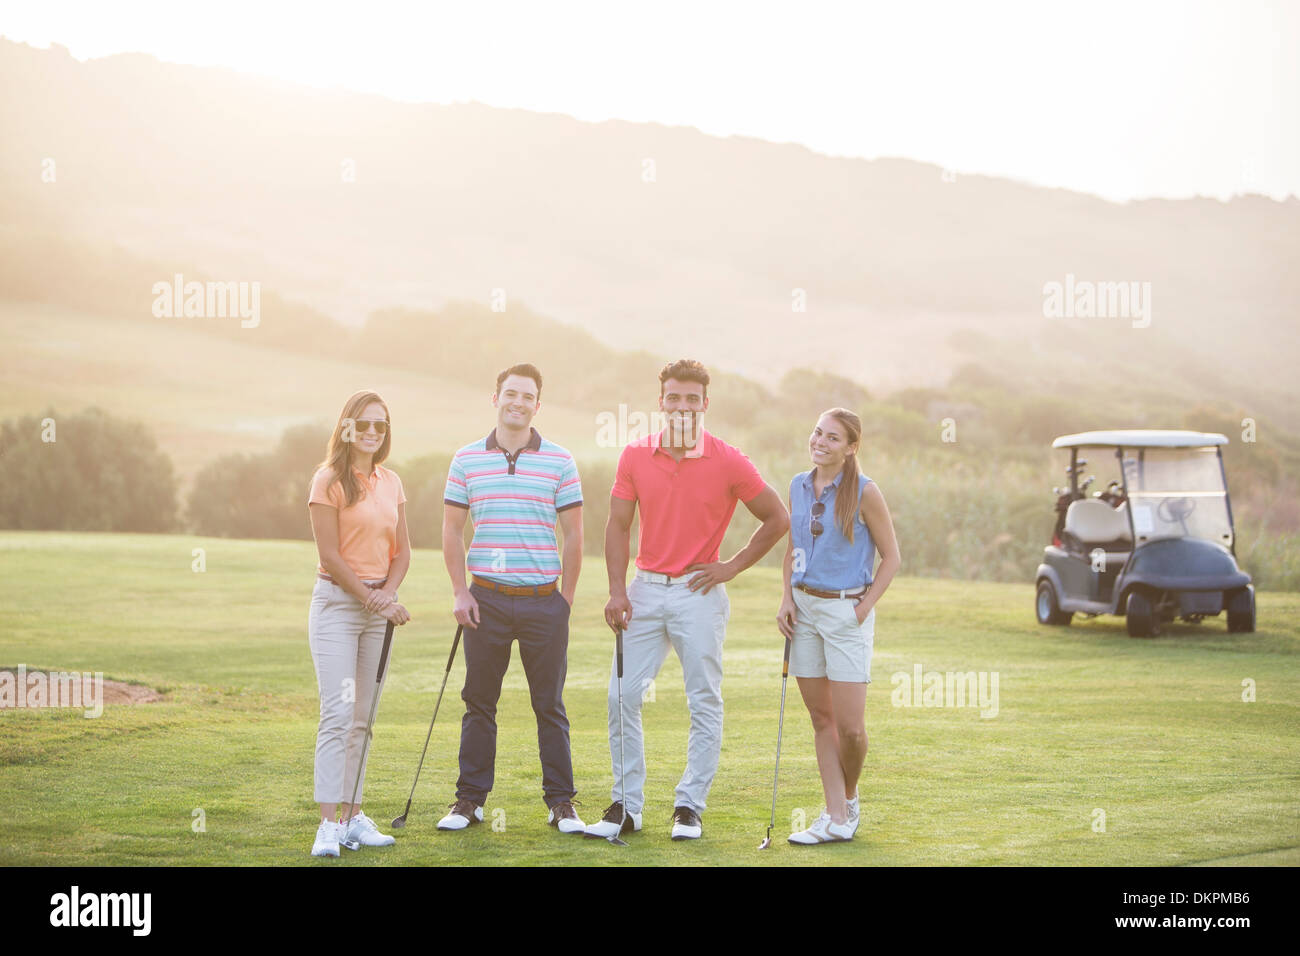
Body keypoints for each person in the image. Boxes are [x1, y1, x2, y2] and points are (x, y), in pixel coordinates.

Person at [585, 359, 790, 841]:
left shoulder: (729, 460)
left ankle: (688, 806)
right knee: (621, 695)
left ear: (704, 404)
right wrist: (617, 589)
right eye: (673, 397)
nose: (681, 406)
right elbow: (617, 525)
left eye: (691, 399)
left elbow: (777, 519)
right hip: (646, 589)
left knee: (703, 699)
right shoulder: (635, 455)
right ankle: (626, 807)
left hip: (700, 594)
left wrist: (731, 567)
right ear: (661, 401)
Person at [437, 363, 586, 834]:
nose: (518, 402)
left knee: (550, 705)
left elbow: (576, 534)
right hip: (487, 600)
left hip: (545, 602)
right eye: (510, 393)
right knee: (480, 701)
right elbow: (451, 529)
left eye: (527, 396)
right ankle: (470, 801)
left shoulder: (560, 461)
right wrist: (460, 592)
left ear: (537, 405)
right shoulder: (466, 459)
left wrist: (566, 599)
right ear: (495, 398)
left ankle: (561, 802)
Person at [776, 407, 900, 845]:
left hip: (846, 612)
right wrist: (787, 598)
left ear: (850, 448)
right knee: (821, 718)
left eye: (832, 438)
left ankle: (847, 800)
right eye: (817, 433)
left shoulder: (865, 491)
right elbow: (793, 547)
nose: (820, 442)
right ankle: (835, 815)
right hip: (805, 611)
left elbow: (892, 558)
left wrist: (862, 610)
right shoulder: (796, 485)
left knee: (851, 728)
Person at [306, 390, 412, 858]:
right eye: (364, 424)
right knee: (337, 715)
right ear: (347, 426)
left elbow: (402, 551)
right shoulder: (327, 480)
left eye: (381, 426)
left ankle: (353, 817)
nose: (372, 432)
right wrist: (374, 599)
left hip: (375, 608)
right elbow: (329, 555)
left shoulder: (391, 482)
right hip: (337, 606)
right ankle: (328, 825)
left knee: (363, 719)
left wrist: (386, 594)